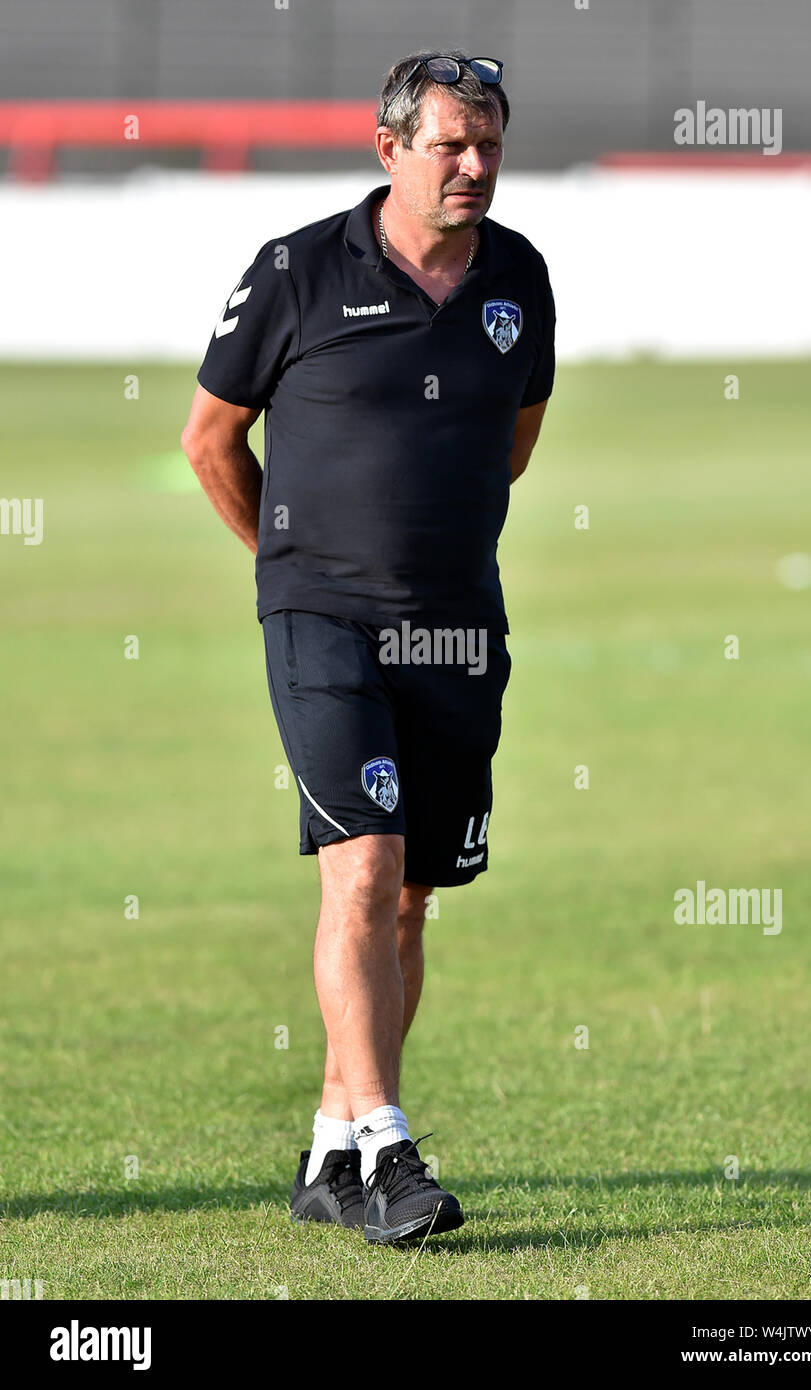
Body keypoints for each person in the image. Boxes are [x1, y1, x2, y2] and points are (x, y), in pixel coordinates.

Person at [181, 49, 555, 1245]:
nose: (473, 165)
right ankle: (393, 1152)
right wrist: (288, 568)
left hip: (457, 625)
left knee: (409, 899)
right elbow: (209, 441)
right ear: (387, 148)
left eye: (487, 142)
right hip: (322, 618)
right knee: (361, 863)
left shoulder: (518, 277)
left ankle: (332, 1145)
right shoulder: (295, 271)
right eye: (449, 143)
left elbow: (510, 442)